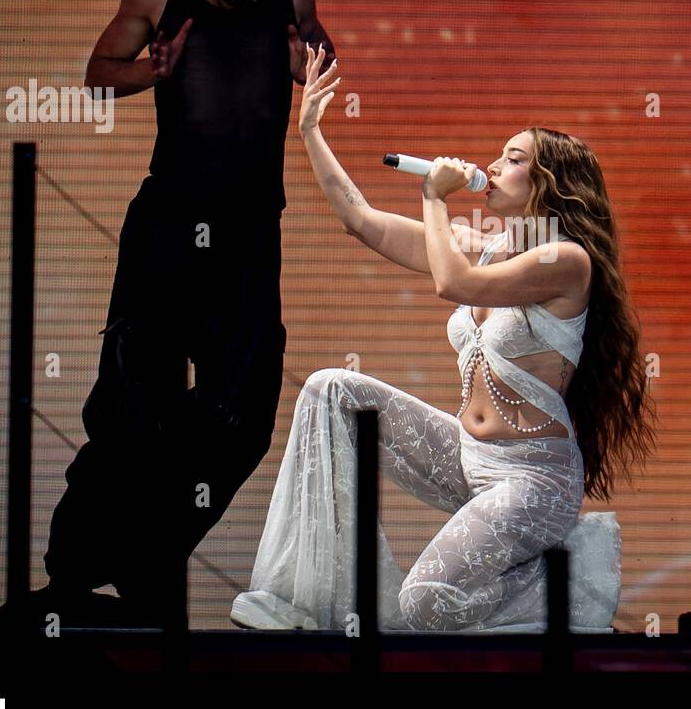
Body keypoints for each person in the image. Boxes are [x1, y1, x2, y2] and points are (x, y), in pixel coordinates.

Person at [230, 44, 657, 632]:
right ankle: (298, 598)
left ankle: (570, 580)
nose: (492, 166)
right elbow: (362, 221)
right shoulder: (477, 243)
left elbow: (453, 284)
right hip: (466, 456)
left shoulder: (567, 260)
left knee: (424, 604)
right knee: (331, 390)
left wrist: (433, 196)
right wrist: (310, 132)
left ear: (546, 182)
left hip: (533, 478)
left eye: (511, 159)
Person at [37, 0, 336, 620]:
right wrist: (154, 72)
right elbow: (98, 74)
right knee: (133, 407)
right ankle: (74, 570)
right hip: (168, 229)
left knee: (246, 412)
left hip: (248, 237)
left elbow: (323, 64)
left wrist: (310, 62)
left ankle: (145, 555)